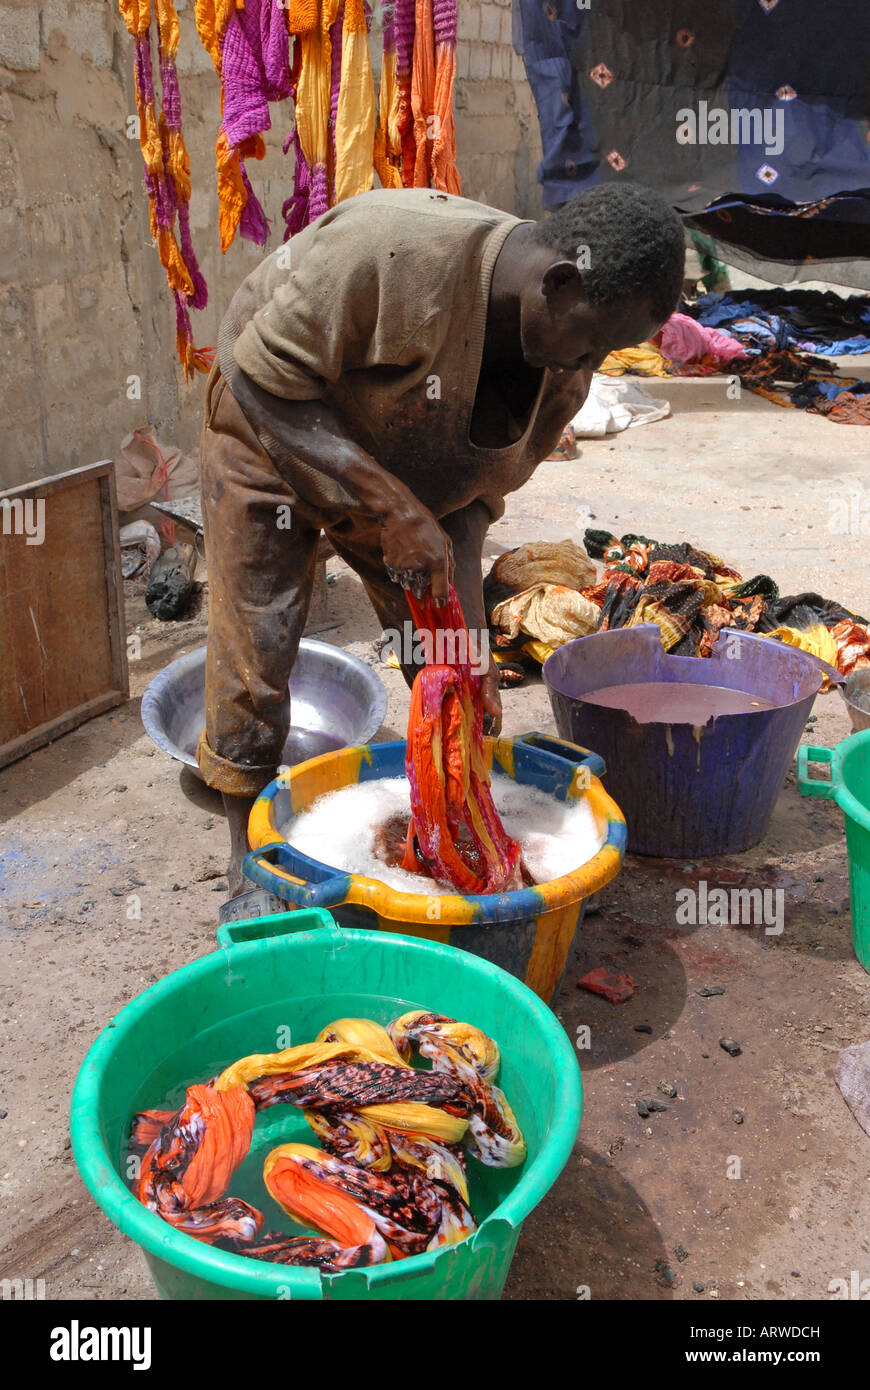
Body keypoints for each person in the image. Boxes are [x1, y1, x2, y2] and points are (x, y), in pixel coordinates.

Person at [197, 181, 685, 895]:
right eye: (593, 342)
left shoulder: (559, 382)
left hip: (402, 480)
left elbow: (465, 507)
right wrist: (392, 509)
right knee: (257, 645)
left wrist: (471, 643)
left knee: (445, 665)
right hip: (272, 435)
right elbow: (257, 377)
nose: (591, 368)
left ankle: (458, 840)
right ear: (558, 283)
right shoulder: (393, 252)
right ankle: (249, 862)